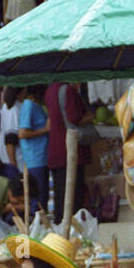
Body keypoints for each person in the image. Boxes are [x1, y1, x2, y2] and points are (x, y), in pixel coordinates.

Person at [45, 81, 91, 220]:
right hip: (69, 150)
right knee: (73, 198)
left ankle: (61, 233)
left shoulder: (50, 90)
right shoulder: (68, 90)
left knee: (61, 198)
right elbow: (74, 118)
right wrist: (90, 116)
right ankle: (72, 233)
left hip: (56, 151)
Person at [18, 86, 49, 215]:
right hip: (35, 159)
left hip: (42, 157)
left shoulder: (36, 106)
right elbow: (22, 133)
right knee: (38, 200)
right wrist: (45, 129)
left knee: (43, 198)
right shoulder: (28, 105)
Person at [0, 85, 20, 169]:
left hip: (8, 159)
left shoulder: (8, 107)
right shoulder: (14, 109)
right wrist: (13, 166)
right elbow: (10, 139)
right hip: (15, 161)